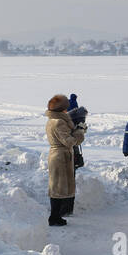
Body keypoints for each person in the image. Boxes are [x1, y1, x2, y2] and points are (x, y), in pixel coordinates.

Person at [45, 94, 85, 226]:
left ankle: (57, 216)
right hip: (60, 157)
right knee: (58, 188)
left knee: (58, 186)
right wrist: (80, 131)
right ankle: (54, 217)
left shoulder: (55, 120)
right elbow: (69, 141)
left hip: (60, 155)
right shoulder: (58, 122)